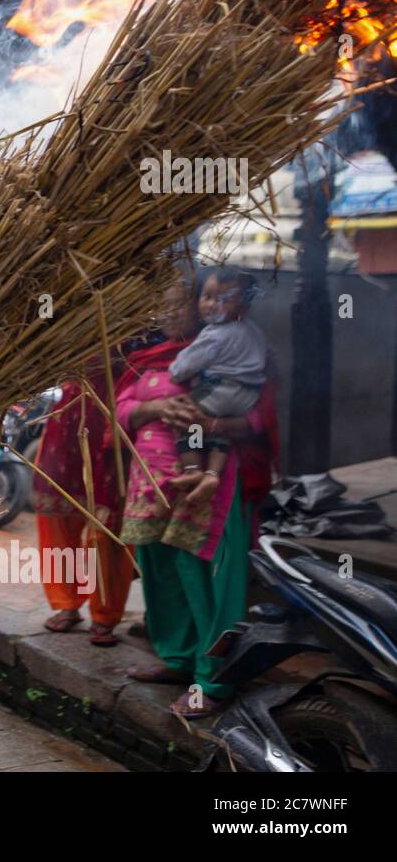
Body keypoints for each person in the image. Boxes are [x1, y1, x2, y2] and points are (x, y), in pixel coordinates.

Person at [116, 275, 278, 718]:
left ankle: (214, 679)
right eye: (160, 308)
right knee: (162, 571)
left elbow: (259, 416)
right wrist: (154, 409)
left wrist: (215, 428)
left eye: (177, 306)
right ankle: (179, 658)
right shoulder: (147, 358)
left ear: (204, 307)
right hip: (153, 487)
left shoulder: (229, 354)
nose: (166, 316)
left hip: (214, 485)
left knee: (210, 577)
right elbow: (122, 409)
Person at [33, 366, 136, 646]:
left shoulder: (137, 338)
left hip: (111, 420)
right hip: (65, 425)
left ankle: (105, 614)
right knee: (56, 517)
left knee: (106, 526)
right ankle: (68, 603)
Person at [168, 269, 267, 507]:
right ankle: (211, 474)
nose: (212, 305)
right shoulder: (253, 331)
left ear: (241, 308)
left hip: (222, 389)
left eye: (223, 299)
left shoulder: (215, 335)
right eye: (207, 297)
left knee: (188, 418)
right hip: (245, 394)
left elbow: (183, 368)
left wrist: (173, 371)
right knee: (217, 429)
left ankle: (192, 468)